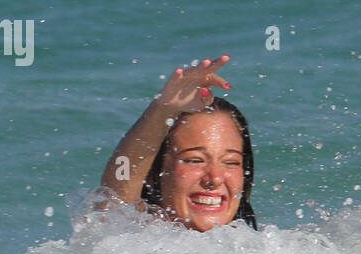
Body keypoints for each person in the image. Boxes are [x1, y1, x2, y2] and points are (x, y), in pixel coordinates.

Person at [98, 55, 258, 229]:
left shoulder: (269, 252)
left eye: (231, 162)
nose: (215, 178)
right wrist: (163, 109)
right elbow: (115, 198)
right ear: (153, 175)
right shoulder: (129, 240)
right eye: (194, 160)